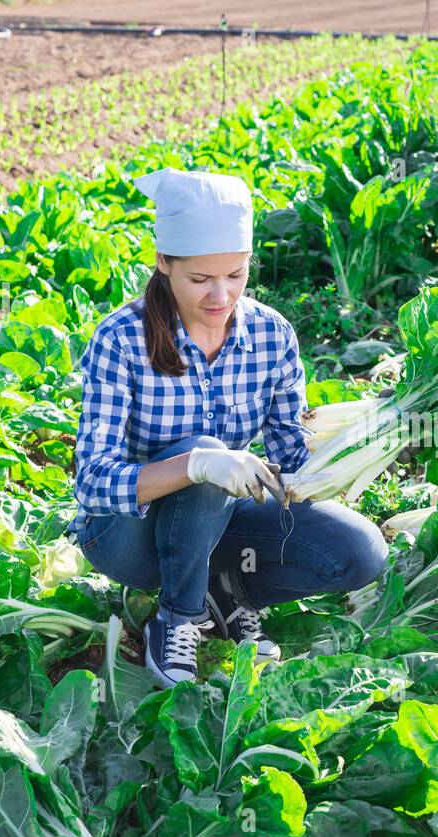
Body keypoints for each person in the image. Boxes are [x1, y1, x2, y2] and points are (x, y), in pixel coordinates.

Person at [68, 168, 388, 687]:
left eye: (236, 275)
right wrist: (194, 464)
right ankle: (177, 616)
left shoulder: (271, 333)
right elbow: (93, 483)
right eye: (200, 279)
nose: (221, 296)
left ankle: (220, 585)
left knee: (359, 551)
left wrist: (368, 442)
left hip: (217, 522)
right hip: (127, 534)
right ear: (164, 263)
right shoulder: (121, 338)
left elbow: (291, 456)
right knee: (206, 451)